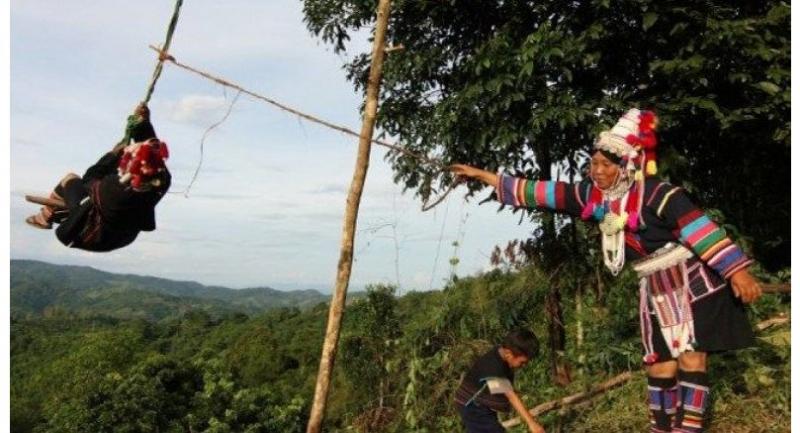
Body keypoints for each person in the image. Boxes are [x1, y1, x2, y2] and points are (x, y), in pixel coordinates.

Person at [450, 108, 762, 433]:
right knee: (659, 366)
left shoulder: (660, 194)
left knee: (692, 359)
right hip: (655, 287)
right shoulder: (594, 197)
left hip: (694, 282)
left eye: (605, 164)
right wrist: (484, 176)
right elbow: (546, 193)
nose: (596, 171)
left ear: (625, 165)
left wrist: (736, 271)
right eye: (593, 163)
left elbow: (700, 230)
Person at [26, 103, 171, 252]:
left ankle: (45, 215)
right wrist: (144, 123)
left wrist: (112, 155)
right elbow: (151, 154)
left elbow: (89, 178)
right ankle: (61, 212)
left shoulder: (113, 189)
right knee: (92, 198)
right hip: (121, 238)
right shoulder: (161, 182)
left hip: (88, 236)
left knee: (70, 178)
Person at [454, 329, 545, 433]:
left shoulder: (501, 355)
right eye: (522, 362)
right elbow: (510, 395)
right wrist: (531, 423)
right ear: (508, 354)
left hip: (481, 406)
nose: (523, 365)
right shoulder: (493, 366)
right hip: (472, 406)